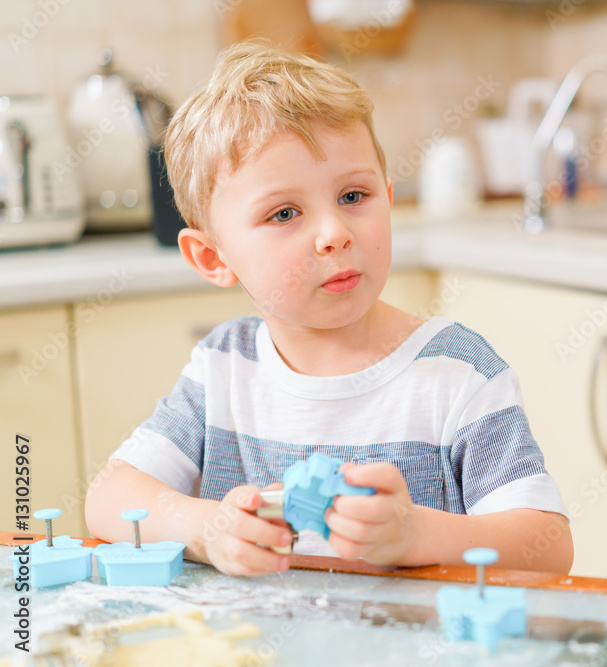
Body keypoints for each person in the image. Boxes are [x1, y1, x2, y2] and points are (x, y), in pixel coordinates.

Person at [85, 42, 573, 577]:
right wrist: (207, 529)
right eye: (285, 212)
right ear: (212, 257)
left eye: (353, 197)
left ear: (387, 197)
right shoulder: (224, 366)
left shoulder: (457, 370)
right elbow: (109, 498)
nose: (335, 235)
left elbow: (547, 548)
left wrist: (415, 534)